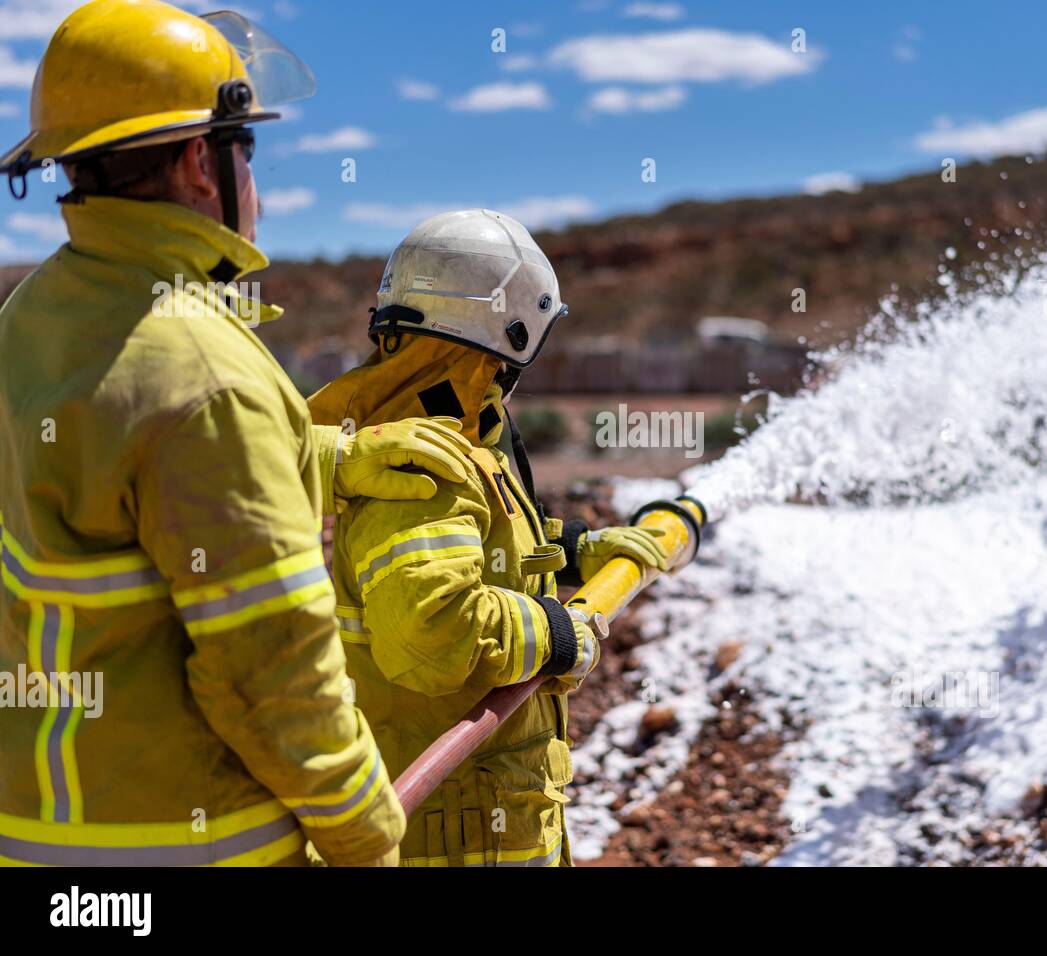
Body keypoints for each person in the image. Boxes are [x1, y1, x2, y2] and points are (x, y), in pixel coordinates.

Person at [0, 0, 468, 866]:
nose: (257, 179)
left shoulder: (31, 320)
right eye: (246, 147)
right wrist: (366, 831)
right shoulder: (209, 373)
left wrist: (327, 457)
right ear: (197, 163)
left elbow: (120, 481)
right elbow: (270, 673)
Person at [309, 209, 671, 866]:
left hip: (486, 815)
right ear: (512, 329)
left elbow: (489, 553)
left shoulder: (445, 424)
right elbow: (433, 629)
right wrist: (559, 635)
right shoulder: (427, 453)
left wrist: (569, 553)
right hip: (461, 834)